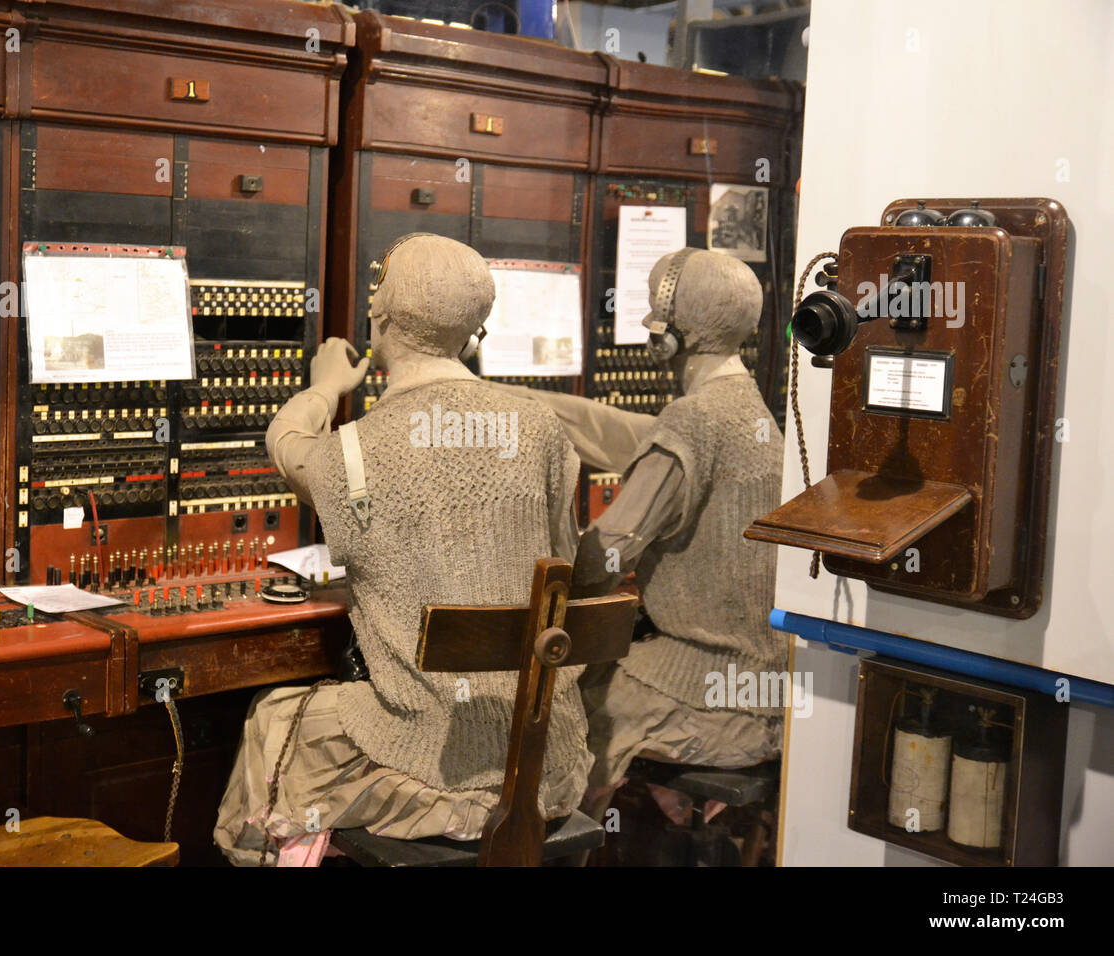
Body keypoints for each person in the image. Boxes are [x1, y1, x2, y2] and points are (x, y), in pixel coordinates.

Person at [214, 234, 589, 865]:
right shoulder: (543, 431)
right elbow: (562, 562)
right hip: (545, 760)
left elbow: (286, 441)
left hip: (434, 765)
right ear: (476, 330)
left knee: (274, 717)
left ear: (380, 319)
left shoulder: (355, 451)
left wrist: (326, 386)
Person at [495, 248, 788, 820]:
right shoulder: (751, 413)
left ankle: (551, 845)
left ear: (669, 333)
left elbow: (601, 559)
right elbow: (619, 432)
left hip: (700, 691)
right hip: (764, 690)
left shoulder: (694, 421)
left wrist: (527, 558)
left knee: (541, 721)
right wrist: (509, 401)